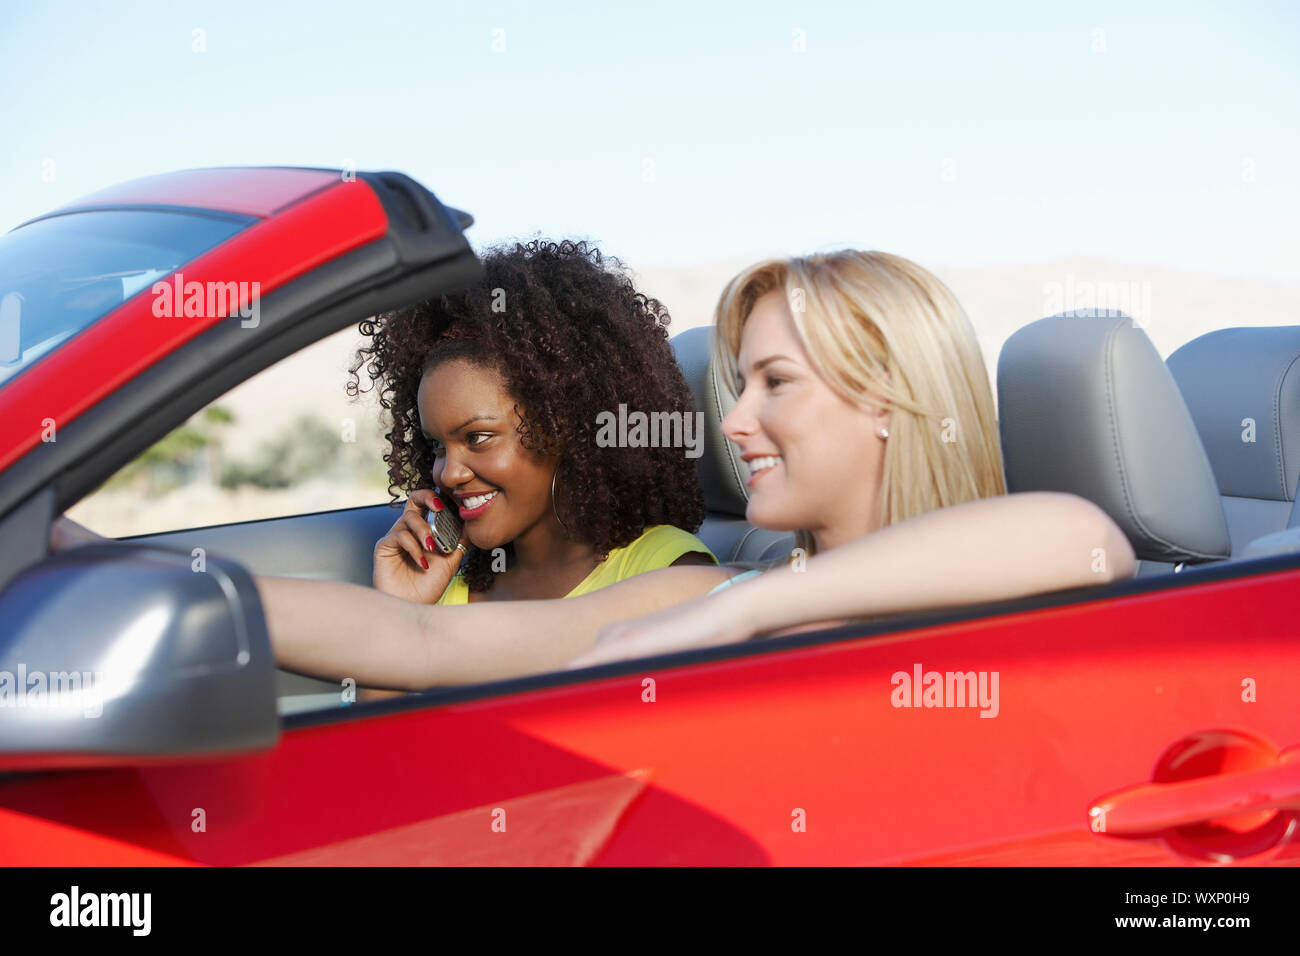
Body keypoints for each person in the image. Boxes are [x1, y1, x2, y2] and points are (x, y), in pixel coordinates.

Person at [51, 250, 1136, 690]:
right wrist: (79, 554)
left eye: (773, 383)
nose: (735, 417)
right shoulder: (719, 588)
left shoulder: (1006, 582)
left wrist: (748, 615)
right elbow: (422, 638)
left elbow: (1081, 535)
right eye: (737, 383)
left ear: (888, 400)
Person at [356, 238, 716, 616]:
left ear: (562, 425)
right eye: (438, 446)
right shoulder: (445, 589)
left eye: (477, 437)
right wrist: (399, 613)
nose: (449, 473)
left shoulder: (667, 574)